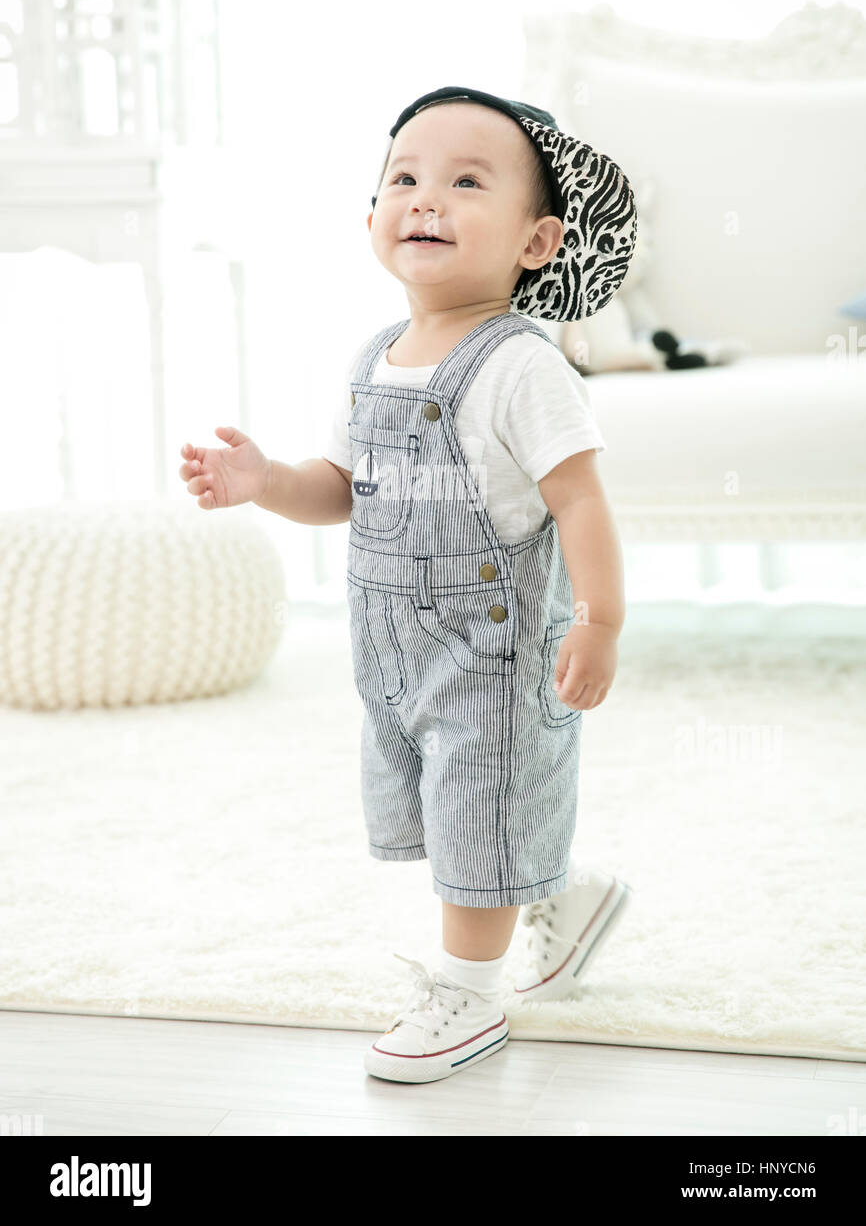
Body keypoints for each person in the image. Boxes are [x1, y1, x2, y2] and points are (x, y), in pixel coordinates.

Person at [179, 85, 637, 1086]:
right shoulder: (371, 359)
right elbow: (339, 490)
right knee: (444, 810)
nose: (425, 197)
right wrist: (263, 482)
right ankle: (565, 892)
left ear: (535, 240)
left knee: (480, 806)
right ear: (372, 219)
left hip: (491, 651)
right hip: (391, 651)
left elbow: (581, 502)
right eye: (404, 178)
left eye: (466, 181)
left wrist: (598, 618)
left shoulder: (521, 366)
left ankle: (467, 997)